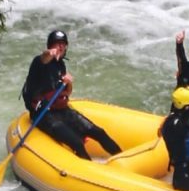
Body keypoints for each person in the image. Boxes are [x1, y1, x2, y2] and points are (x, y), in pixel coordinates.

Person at [21, 28, 122, 160]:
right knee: (77, 143)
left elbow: (66, 93)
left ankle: (123, 161)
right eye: (56, 44)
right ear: (50, 46)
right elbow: (44, 58)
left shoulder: (61, 65)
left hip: (61, 110)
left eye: (63, 44)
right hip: (43, 113)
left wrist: (68, 83)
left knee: (99, 132)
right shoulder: (39, 62)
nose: (60, 46)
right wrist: (49, 53)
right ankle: (89, 170)